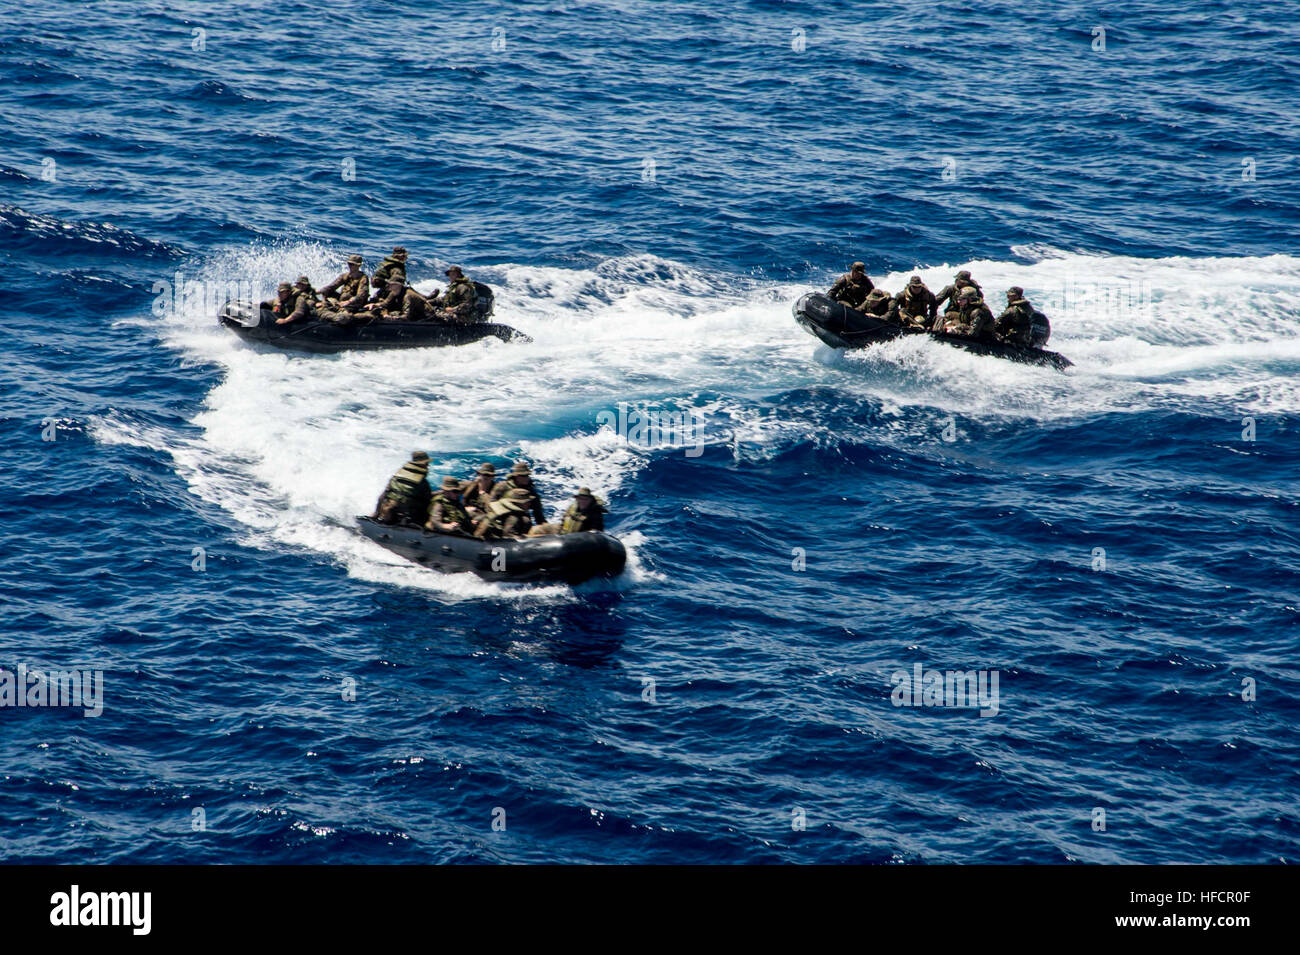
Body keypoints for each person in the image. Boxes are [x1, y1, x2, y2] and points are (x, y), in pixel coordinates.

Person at [373, 451, 432, 525]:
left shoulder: (396, 477)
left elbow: (382, 496)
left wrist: (376, 513)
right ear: (424, 465)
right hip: (410, 518)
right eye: (427, 464)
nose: (428, 466)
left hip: (388, 514)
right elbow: (428, 501)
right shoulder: (422, 482)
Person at [529, 487, 608, 536]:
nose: (583, 501)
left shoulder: (595, 512)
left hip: (580, 537)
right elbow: (563, 522)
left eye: (585, 499)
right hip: (564, 532)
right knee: (537, 529)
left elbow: (595, 532)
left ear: (590, 500)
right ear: (577, 499)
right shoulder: (572, 507)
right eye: (580, 499)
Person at [489, 460, 547, 525]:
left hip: (522, 519)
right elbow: (491, 503)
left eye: (527, 475)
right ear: (516, 476)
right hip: (501, 517)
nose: (527, 478)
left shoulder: (530, 492)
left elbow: (538, 513)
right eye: (523, 476)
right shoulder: (502, 487)